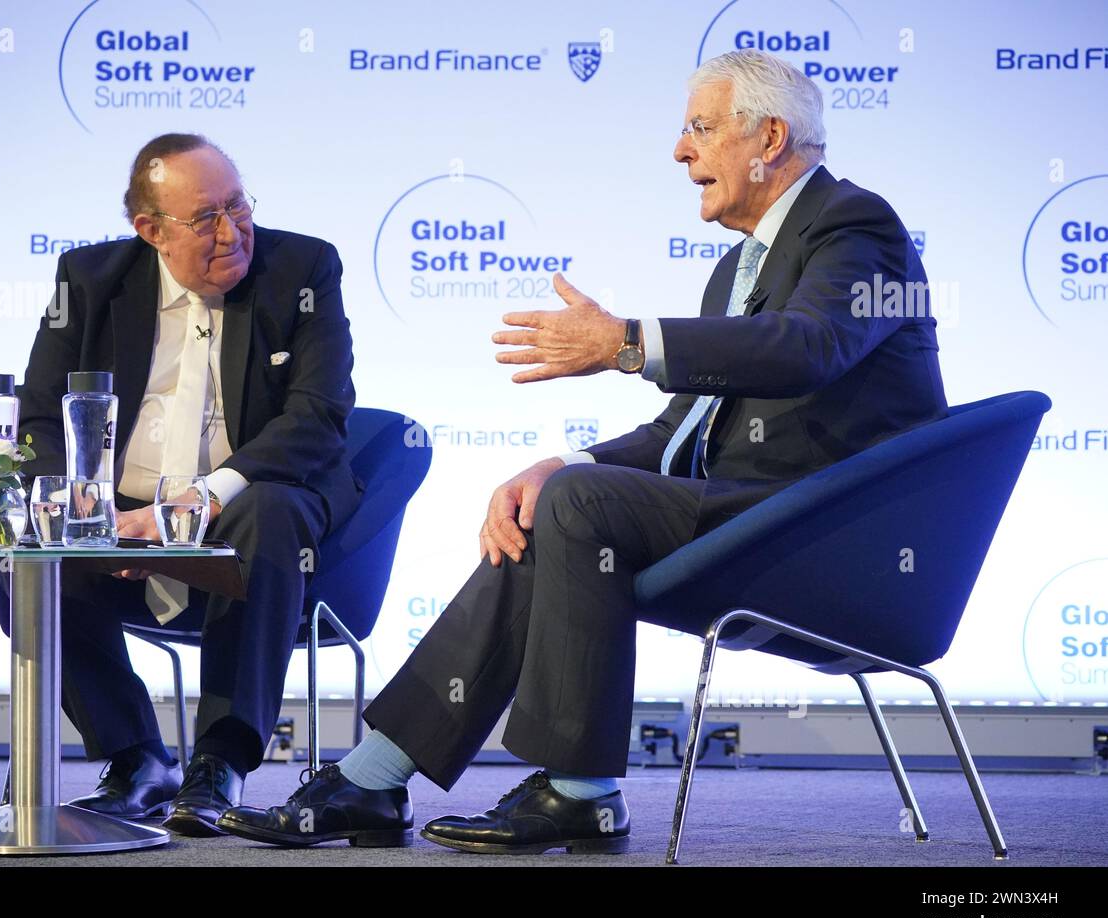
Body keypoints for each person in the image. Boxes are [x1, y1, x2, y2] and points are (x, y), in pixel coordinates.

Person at [219, 49, 948, 854]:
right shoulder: (733, 271)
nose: (680, 151)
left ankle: (577, 789)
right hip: (755, 517)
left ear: (770, 136)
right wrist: (563, 466)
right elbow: (682, 433)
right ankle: (378, 778)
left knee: (577, 507)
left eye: (700, 129)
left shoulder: (854, 225)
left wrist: (625, 343)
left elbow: (808, 347)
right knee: (554, 503)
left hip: (842, 533)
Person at [0, 133, 358, 836]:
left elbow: (319, 417)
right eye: (205, 219)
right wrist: (88, 511)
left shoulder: (304, 268)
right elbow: (38, 421)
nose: (232, 233)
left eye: (238, 207)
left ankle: (219, 761)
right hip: (122, 507)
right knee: (27, 566)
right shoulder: (91, 280)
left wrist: (199, 499)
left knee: (271, 511)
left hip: (252, 496)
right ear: (150, 230)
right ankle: (136, 758)